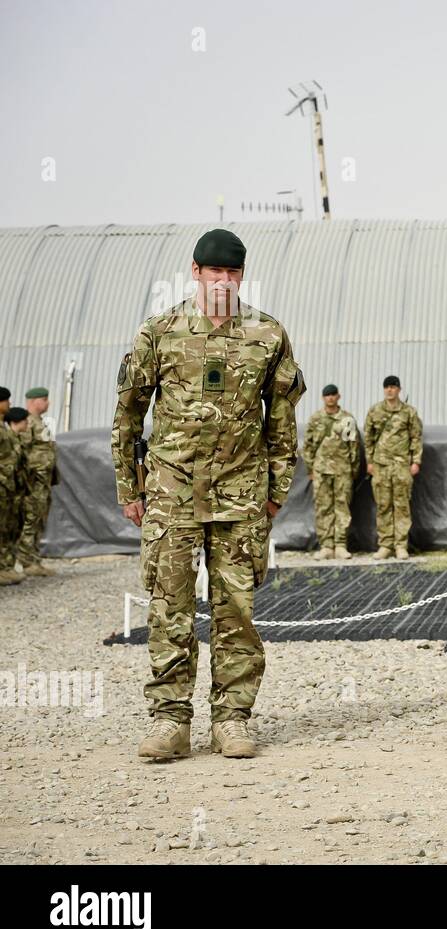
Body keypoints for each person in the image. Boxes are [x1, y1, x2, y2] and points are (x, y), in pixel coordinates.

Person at [112, 228, 304, 760]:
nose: (222, 281)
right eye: (212, 272)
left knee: (236, 609)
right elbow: (128, 414)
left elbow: (283, 423)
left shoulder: (267, 334)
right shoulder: (160, 331)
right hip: (171, 492)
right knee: (169, 607)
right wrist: (130, 487)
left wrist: (274, 494)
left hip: (241, 494)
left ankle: (233, 719)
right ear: (194, 272)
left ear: (242, 275)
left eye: (232, 273)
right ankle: (170, 720)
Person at [364, 376, 422, 560]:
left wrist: (416, 461)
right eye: (387, 387)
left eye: (393, 387)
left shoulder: (408, 412)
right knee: (383, 505)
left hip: (401, 465)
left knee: (402, 506)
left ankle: (400, 545)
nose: (390, 390)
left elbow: (416, 437)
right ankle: (385, 545)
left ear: (399, 389)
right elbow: (368, 438)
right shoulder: (375, 411)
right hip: (381, 465)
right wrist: (370, 462)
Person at [304, 384, 361, 560]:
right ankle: (326, 545)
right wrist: (310, 468)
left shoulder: (347, 419)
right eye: (327, 395)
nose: (330, 398)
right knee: (323, 508)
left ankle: (341, 545)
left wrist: (354, 470)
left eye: (333, 395)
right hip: (321, 470)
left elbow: (354, 447)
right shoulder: (316, 419)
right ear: (323, 398)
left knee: (342, 508)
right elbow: (308, 446)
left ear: (338, 396)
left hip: (343, 470)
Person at [15, 386, 57, 576]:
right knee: (30, 519)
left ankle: (34, 559)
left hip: (44, 481)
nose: (48, 403)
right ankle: (25, 560)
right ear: (33, 401)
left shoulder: (42, 422)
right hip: (33, 481)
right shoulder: (27, 422)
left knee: (40, 519)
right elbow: (21, 452)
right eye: (44, 399)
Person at [0, 407, 30, 586]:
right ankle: (4, 567)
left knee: (11, 529)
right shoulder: (6, 437)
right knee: (4, 530)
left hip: (14, 491)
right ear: (16, 421)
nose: (27, 424)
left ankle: (7, 565)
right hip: (7, 489)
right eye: (25, 421)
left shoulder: (15, 438)